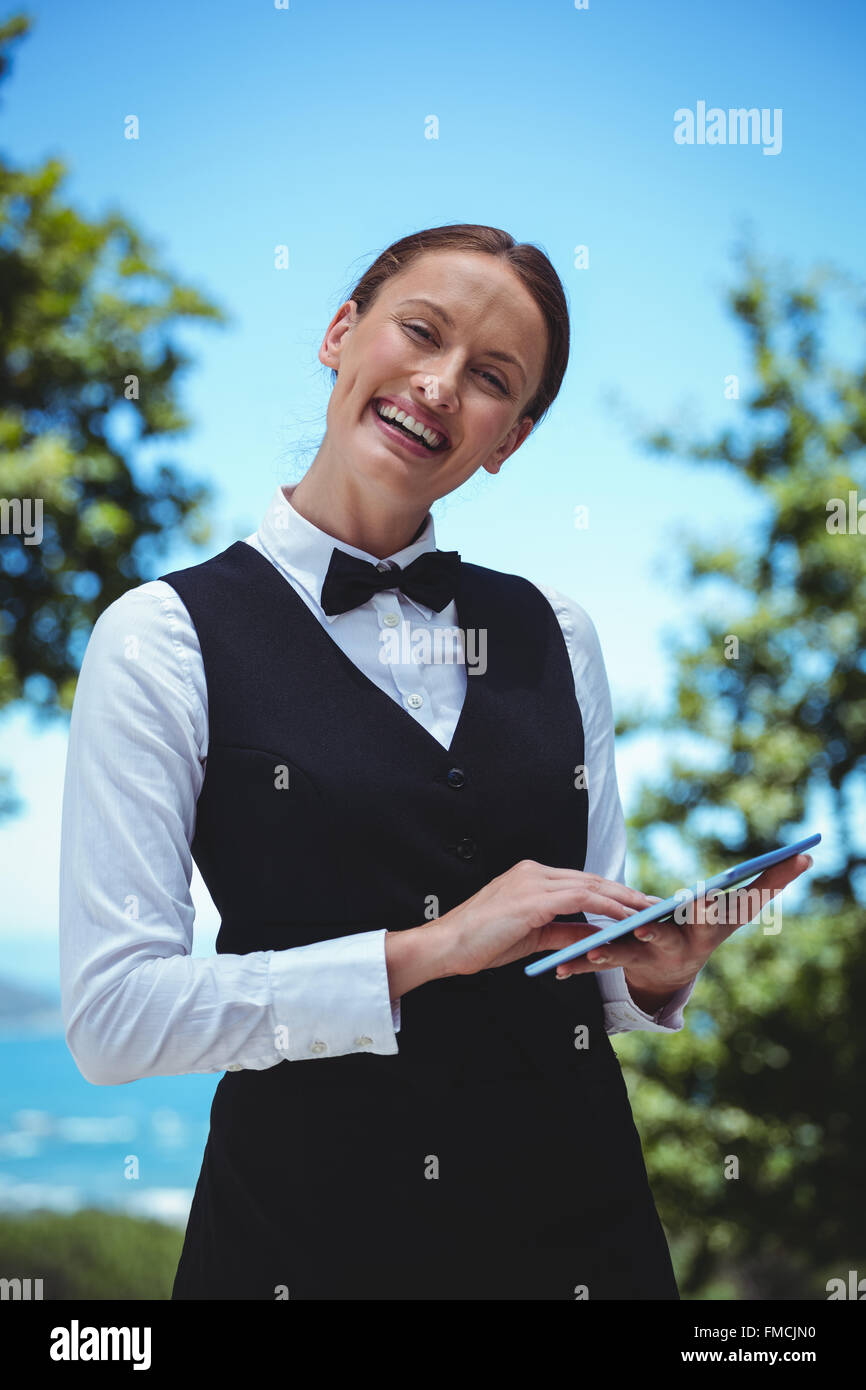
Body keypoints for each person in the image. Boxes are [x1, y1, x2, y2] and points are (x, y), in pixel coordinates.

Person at [59, 223, 812, 1300]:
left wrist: (651, 974)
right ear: (339, 332)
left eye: (492, 378)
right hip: (304, 1247)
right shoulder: (161, 637)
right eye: (421, 331)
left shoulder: (560, 631)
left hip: (582, 1242)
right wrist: (427, 949)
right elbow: (111, 1018)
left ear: (509, 437)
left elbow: (572, 958)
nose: (441, 384)